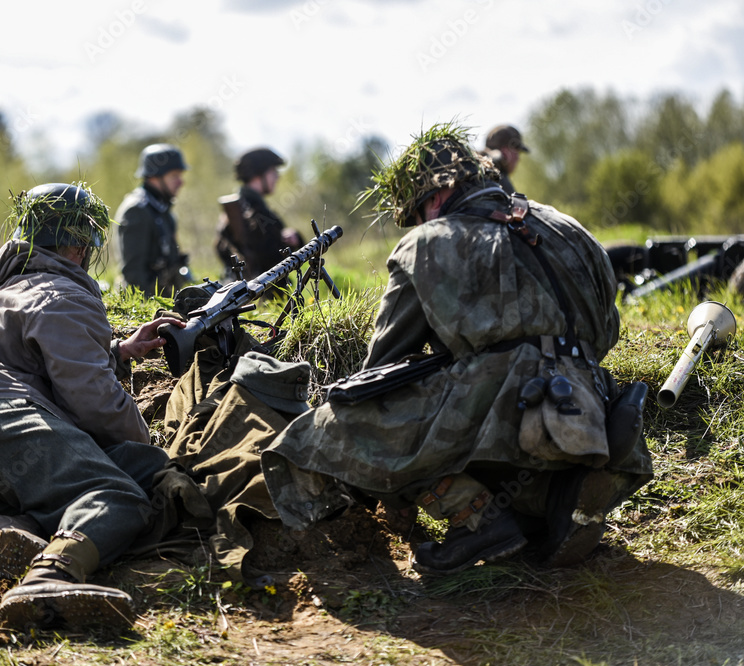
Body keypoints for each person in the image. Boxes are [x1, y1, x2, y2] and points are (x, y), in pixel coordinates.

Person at [261, 124, 653, 576]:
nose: (422, 222)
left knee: (337, 422)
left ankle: (477, 517)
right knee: (508, 430)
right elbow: (608, 333)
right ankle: (556, 497)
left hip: (508, 403)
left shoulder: (429, 243)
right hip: (590, 405)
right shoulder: (569, 226)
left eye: (419, 211)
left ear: (437, 195)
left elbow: (380, 365)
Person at [0, 182, 184, 630]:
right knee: (119, 493)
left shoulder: (0, 293)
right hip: (9, 425)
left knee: (79, 484)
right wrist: (148, 446)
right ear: (76, 245)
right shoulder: (65, 294)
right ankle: (50, 578)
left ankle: (1, 524)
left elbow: (37, 356)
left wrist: (119, 351)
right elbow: (96, 405)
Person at [116, 143, 191, 296]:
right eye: (174, 176)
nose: (181, 182)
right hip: (148, 305)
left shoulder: (161, 209)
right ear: (154, 177)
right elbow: (134, 276)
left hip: (167, 298)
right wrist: (156, 309)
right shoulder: (136, 210)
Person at [216, 147, 301, 280]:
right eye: (273, 171)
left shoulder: (238, 208)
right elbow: (271, 257)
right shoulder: (254, 211)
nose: (277, 177)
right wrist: (292, 242)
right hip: (264, 294)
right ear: (257, 175)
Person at [482, 124, 529, 194]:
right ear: (505, 151)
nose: (518, 158)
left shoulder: (474, 166)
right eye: (517, 152)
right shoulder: (498, 175)